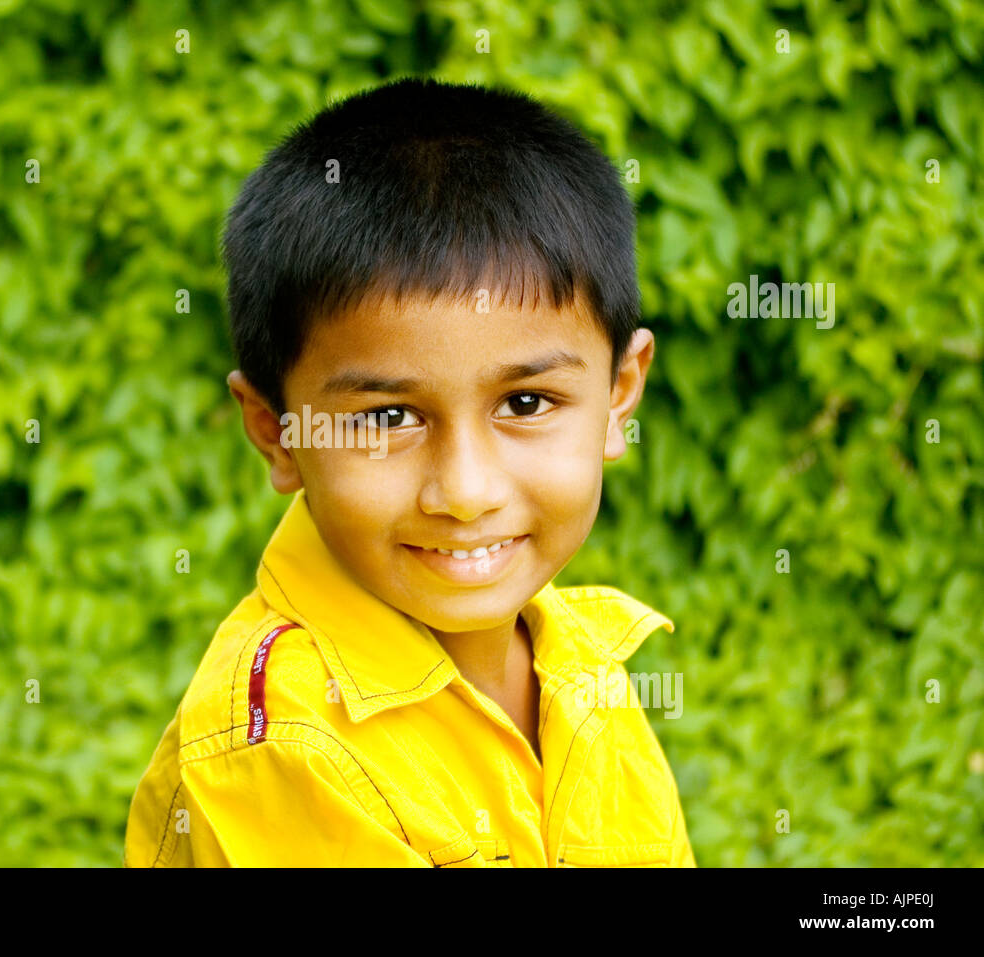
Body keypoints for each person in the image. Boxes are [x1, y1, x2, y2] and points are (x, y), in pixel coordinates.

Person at [124, 77, 695, 867]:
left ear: (618, 394)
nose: (466, 490)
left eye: (526, 401)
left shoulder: (579, 658)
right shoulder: (284, 739)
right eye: (389, 418)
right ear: (277, 432)